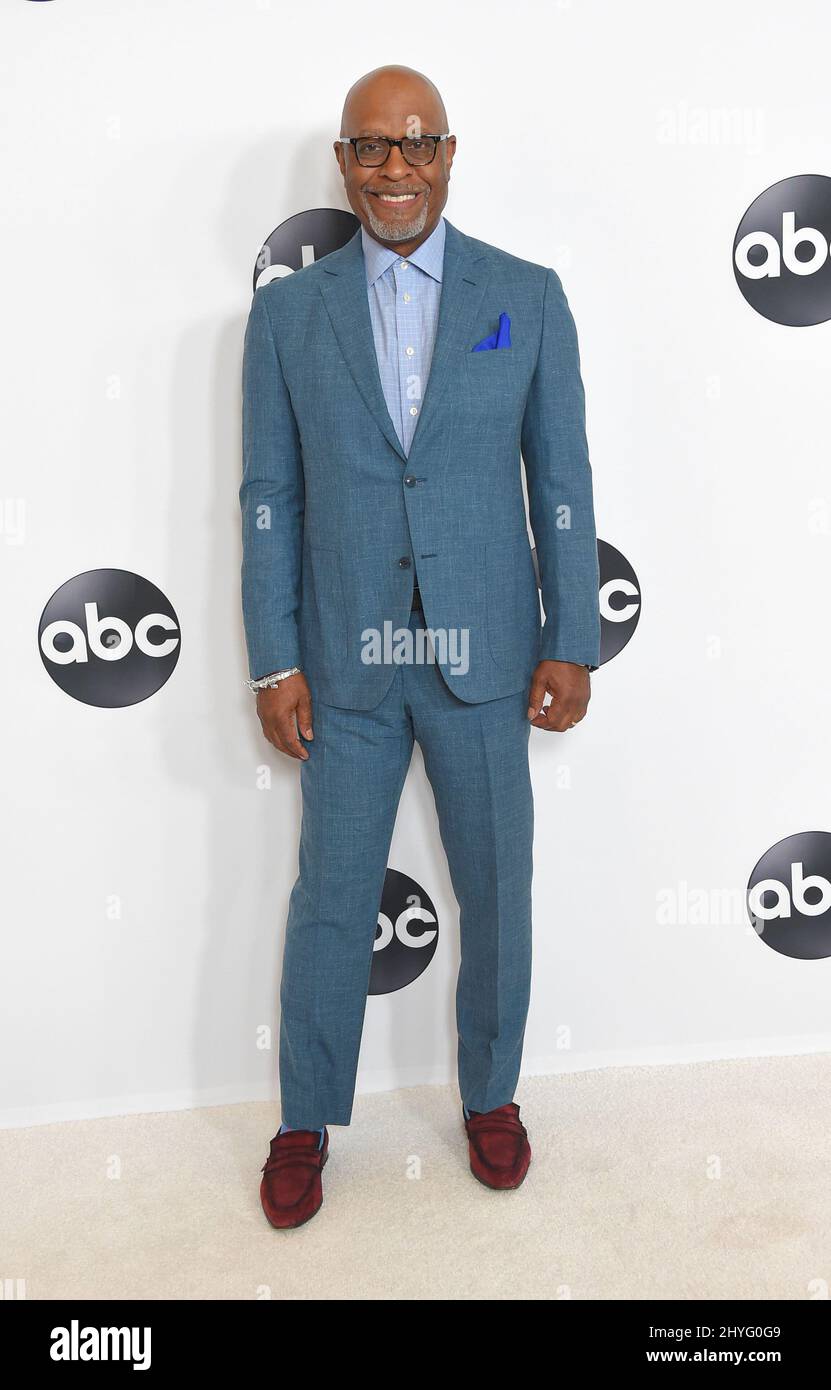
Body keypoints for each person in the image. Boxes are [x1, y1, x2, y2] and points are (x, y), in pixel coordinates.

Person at [240, 65, 601, 1229]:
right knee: (331, 900)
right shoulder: (290, 315)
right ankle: (305, 1118)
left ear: (451, 153)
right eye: (370, 149)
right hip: (345, 665)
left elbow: (562, 482)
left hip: (486, 654)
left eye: (417, 145)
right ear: (342, 165)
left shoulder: (528, 296)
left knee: (497, 891)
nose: (395, 169)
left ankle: (489, 1098)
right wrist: (273, 656)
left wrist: (575, 637)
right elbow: (269, 494)